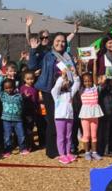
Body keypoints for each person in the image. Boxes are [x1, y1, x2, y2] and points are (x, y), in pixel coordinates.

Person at [29, 25, 78, 158]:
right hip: (50, 90)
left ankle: (65, 149)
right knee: (53, 119)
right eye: (58, 41)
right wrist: (33, 51)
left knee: (65, 119)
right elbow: (32, 66)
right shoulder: (47, 55)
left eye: (63, 41)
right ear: (53, 42)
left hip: (65, 91)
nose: (60, 43)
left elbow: (73, 72)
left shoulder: (68, 56)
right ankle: (52, 151)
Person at [51, 65, 81, 164]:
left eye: (67, 81)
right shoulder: (56, 94)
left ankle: (68, 153)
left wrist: (75, 74)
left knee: (68, 136)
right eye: (64, 80)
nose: (66, 82)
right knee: (61, 136)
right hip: (59, 118)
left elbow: (77, 84)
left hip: (69, 117)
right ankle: (62, 155)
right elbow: (56, 87)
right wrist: (62, 76)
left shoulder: (70, 93)